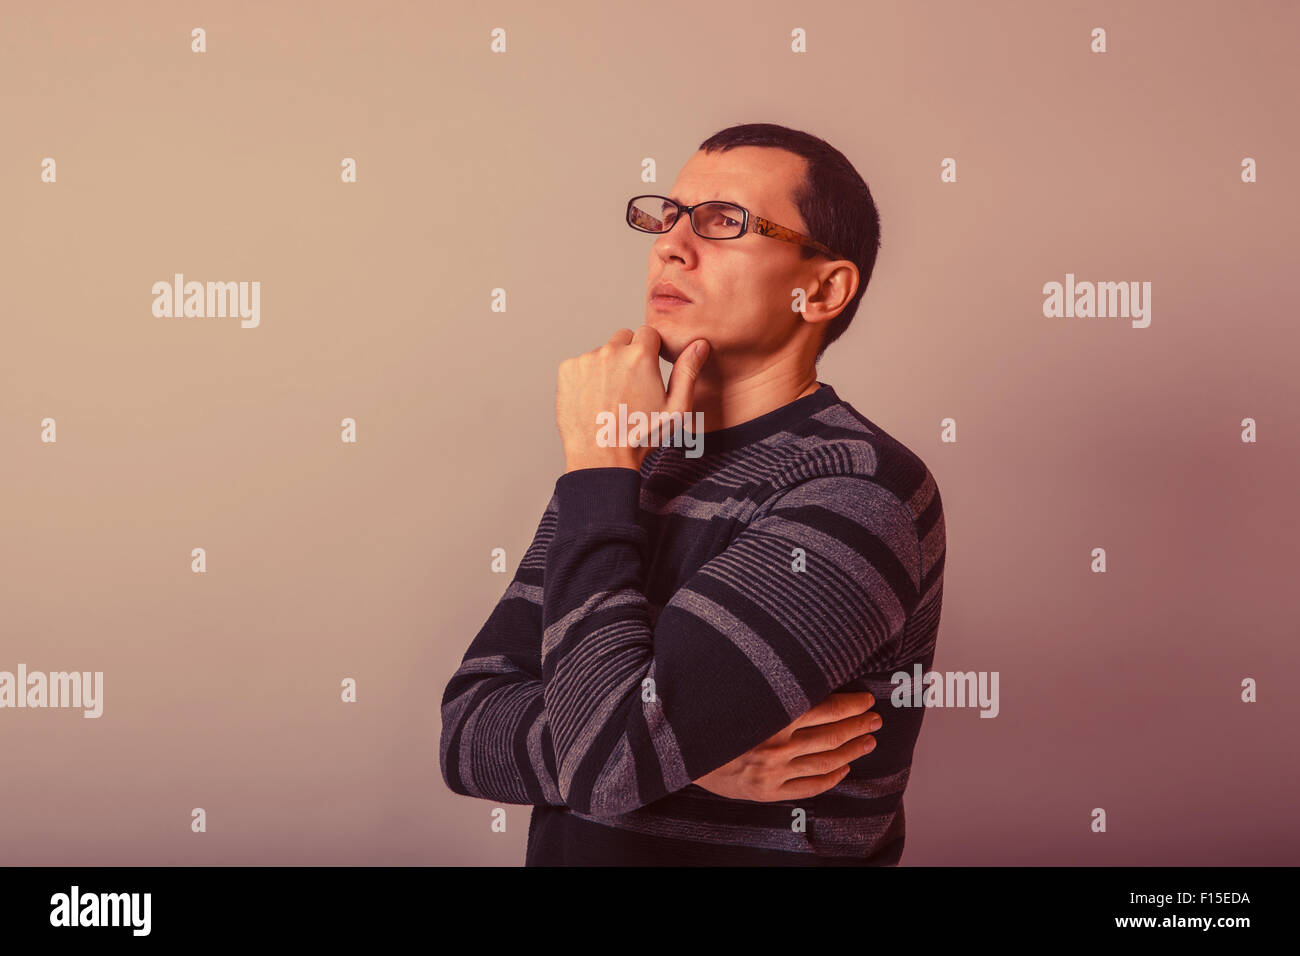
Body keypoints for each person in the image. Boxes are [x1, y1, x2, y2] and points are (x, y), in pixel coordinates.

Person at [440, 122, 946, 865]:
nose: (671, 244)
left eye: (723, 222)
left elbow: (606, 758)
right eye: (668, 215)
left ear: (823, 288)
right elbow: (465, 731)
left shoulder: (860, 489)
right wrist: (695, 763)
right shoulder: (633, 466)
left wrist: (638, 757)